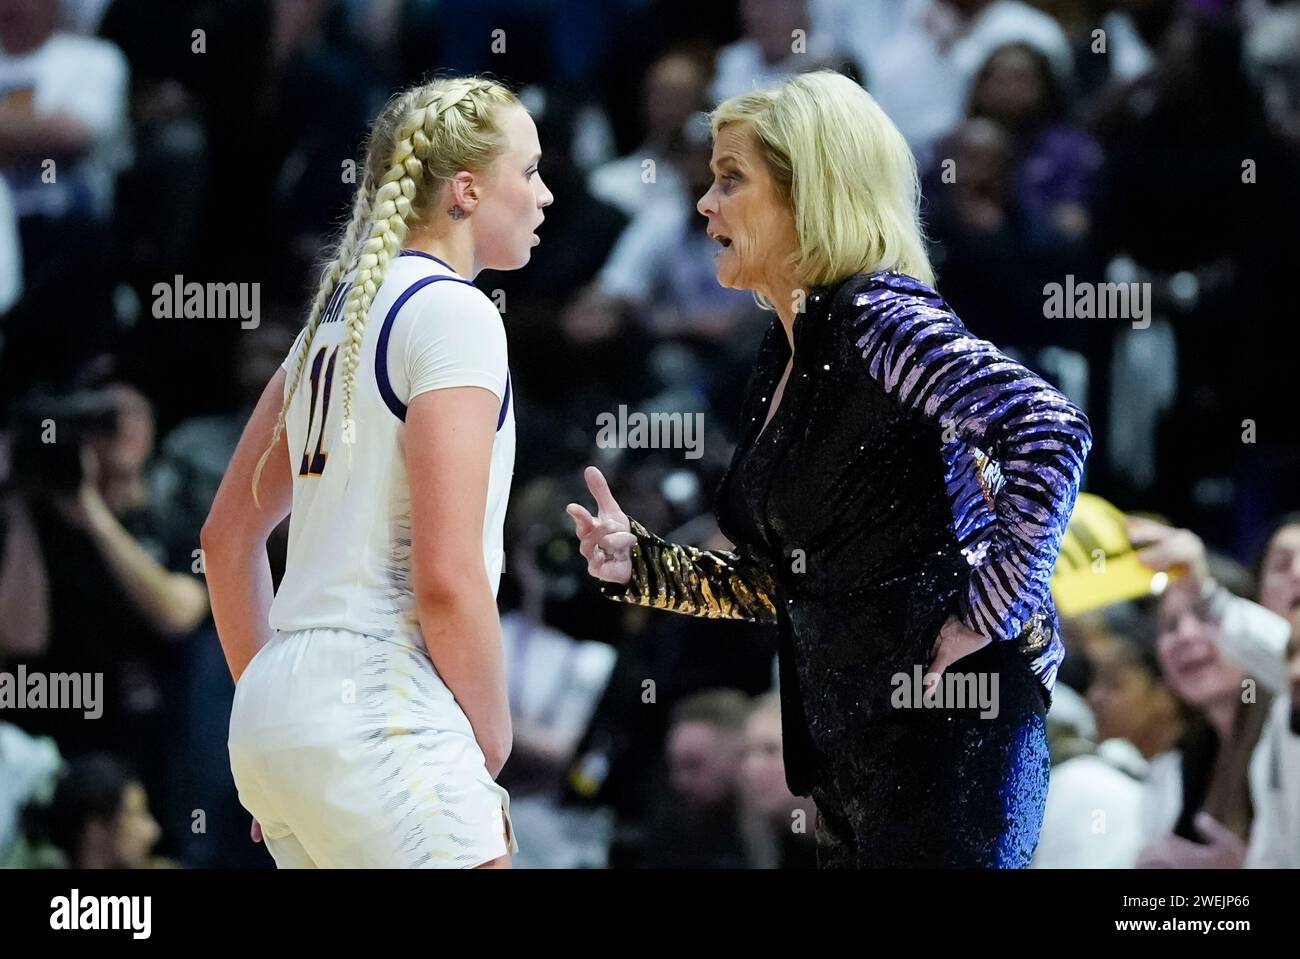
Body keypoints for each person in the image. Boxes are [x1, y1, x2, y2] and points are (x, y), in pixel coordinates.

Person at [567, 70, 1092, 867]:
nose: (705, 204)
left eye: (730, 179)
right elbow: (783, 583)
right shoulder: (784, 348)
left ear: (808, 191)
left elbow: (1050, 428)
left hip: (950, 737)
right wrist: (641, 565)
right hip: (851, 750)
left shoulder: (880, 317)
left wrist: (994, 607)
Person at [204, 75, 552, 869]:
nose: (546, 194)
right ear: (466, 190)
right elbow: (446, 576)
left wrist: (286, 717)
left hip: (277, 709)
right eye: (528, 172)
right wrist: (488, 738)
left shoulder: (336, 320)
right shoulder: (457, 315)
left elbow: (225, 539)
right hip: (385, 695)